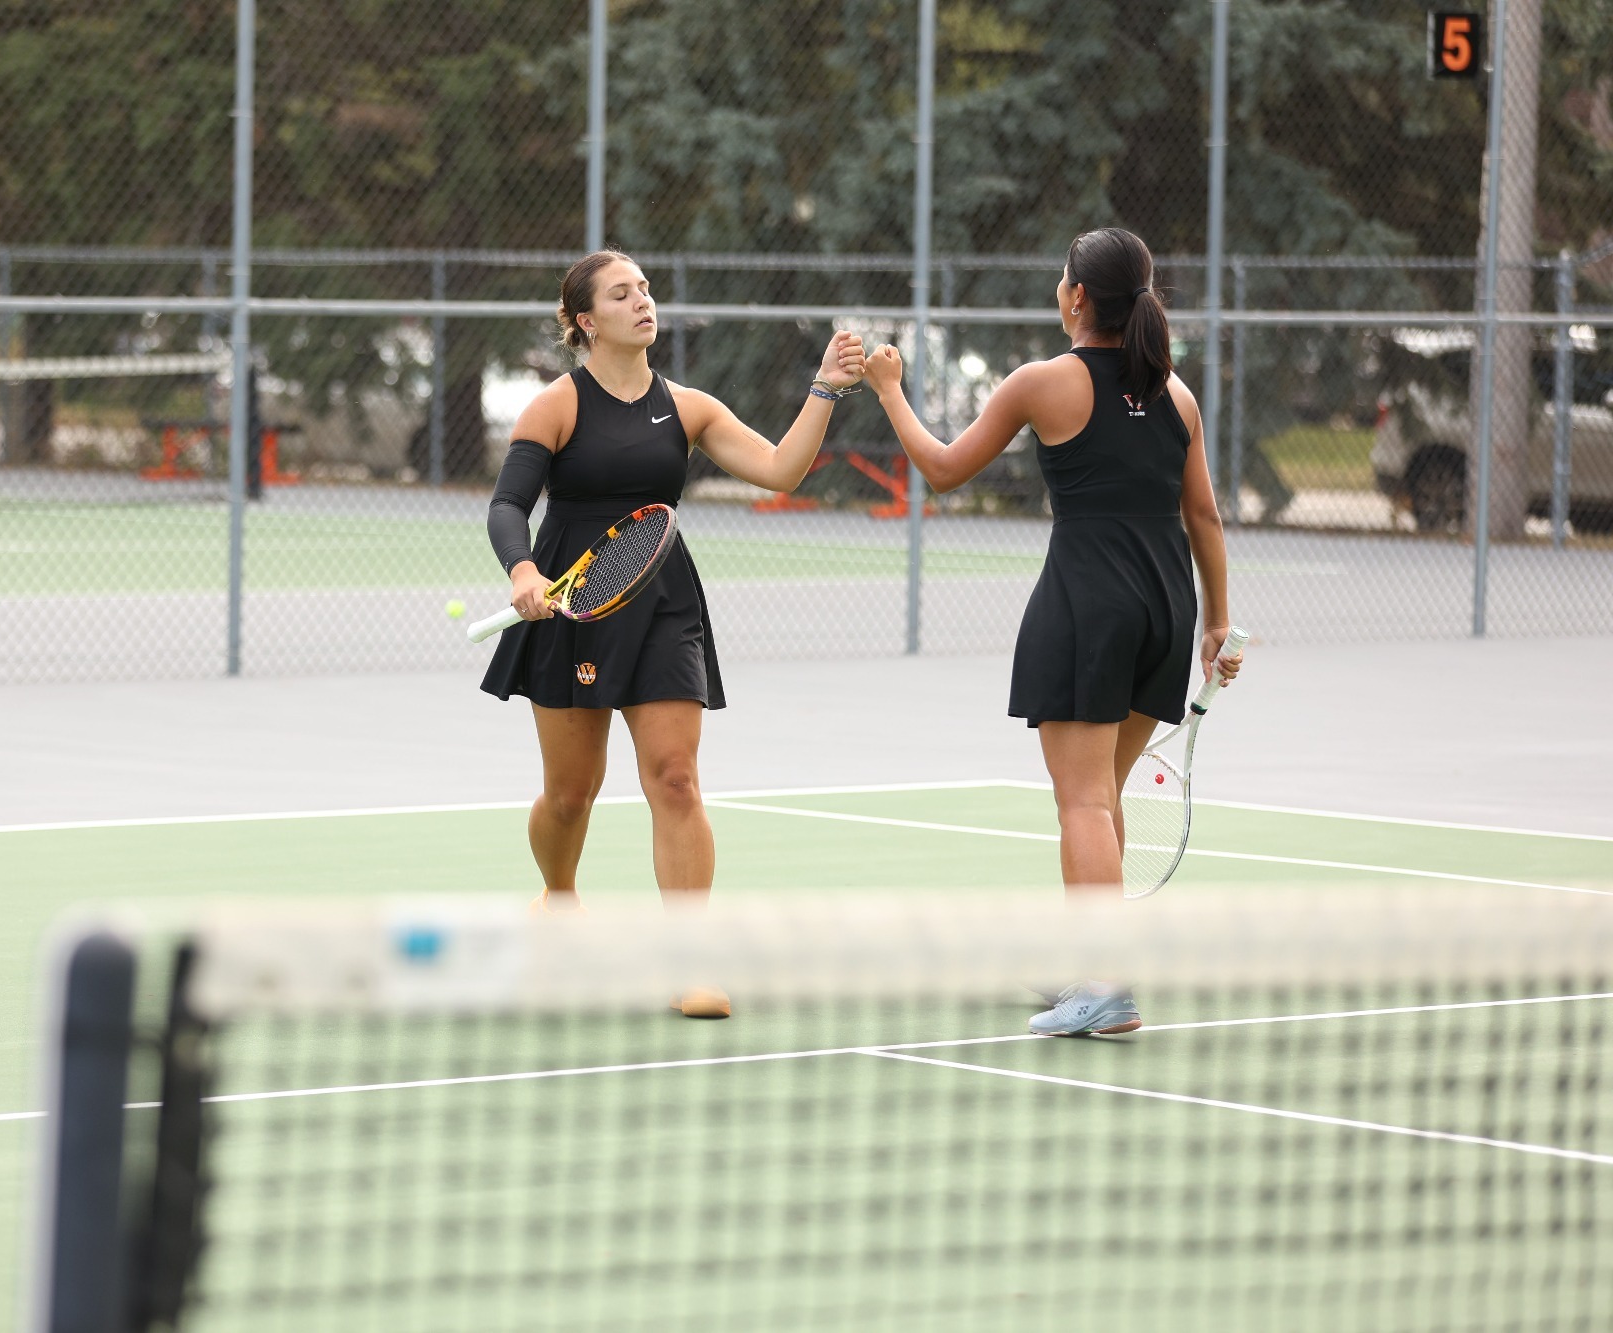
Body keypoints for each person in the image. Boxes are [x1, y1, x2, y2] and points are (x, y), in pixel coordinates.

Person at [860, 227, 1243, 1036]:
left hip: (1088, 602)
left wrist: (890, 388)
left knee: (1082, 803)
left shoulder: (1043, 382)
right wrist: (1217, 620)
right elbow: (1203, 513)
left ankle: (1106, 984)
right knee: (1101, 796)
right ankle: (1089, 966)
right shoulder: (1176, 395)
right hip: (1167, 609)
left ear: (1075, 297)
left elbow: (944, 468)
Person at [481, 249, 866, 1019]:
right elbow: (506, 505)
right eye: (622, 295)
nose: (643, 303)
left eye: (647, 290)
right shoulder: (556, 405)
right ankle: (558, 896)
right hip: (569, 602)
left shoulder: (689, 407)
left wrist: (825, 387)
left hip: (661, 601)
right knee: (569, 794)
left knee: (677, 778)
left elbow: (783, 470)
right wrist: (522, 572)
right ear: (587, 321)